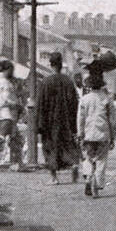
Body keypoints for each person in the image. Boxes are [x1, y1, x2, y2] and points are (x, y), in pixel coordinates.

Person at [37, 51, 80, 184]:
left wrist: (40, 124)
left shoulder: (45, 82)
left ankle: (54, 177)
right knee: (68, 145)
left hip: (50, 122)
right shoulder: (68, 81)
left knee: (50, 147)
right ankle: (74, 165)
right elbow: (74, 103)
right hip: (66, 120)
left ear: (51, 65)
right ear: (61, 65)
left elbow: (41, 104)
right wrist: (74, 123)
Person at [76, 69, 116, 197]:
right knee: (101, 160)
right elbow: (112, 120)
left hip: (88, 134)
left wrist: (80, 134)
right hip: (103, 134)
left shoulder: (84, 99)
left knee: (88, 158)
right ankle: (97, 185)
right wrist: (113, 136)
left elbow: (80, 119)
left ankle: (88, 178)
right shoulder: (107, 99)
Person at [0, 60, 22, 168]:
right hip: (5, 115)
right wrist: (13, 104)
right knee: (0, 138)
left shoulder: (8, 82)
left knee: (15, 139)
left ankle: (16, 162)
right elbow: (0, 100)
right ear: (6, 70)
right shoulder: (0, 82)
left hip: (11, 115)